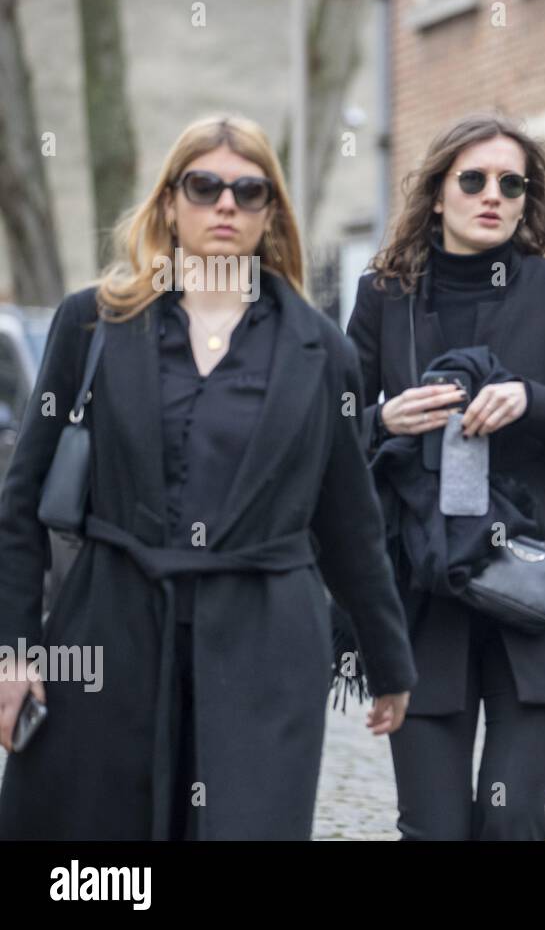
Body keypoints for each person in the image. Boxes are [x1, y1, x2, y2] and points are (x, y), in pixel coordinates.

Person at [0, 114, 415, 840]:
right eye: (204, 186)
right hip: (111, 630)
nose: (226, 204)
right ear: (169, 203)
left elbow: (351, 523)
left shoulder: (321, 351)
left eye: (249, 191)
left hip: (264, 644)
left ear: (270, 213)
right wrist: (13, 653)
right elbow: (21, 501)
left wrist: (388, 661)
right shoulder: (93, 323)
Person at [347, 113, 545, 840]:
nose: (492, 196)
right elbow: (327, 433)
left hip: (529, 584)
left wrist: (532, 400)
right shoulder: (386, 294)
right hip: (423, 585)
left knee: (511, 820)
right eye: (473, 180)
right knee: (433, 827)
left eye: (512, 183)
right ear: (438, 192)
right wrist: (384, 419)